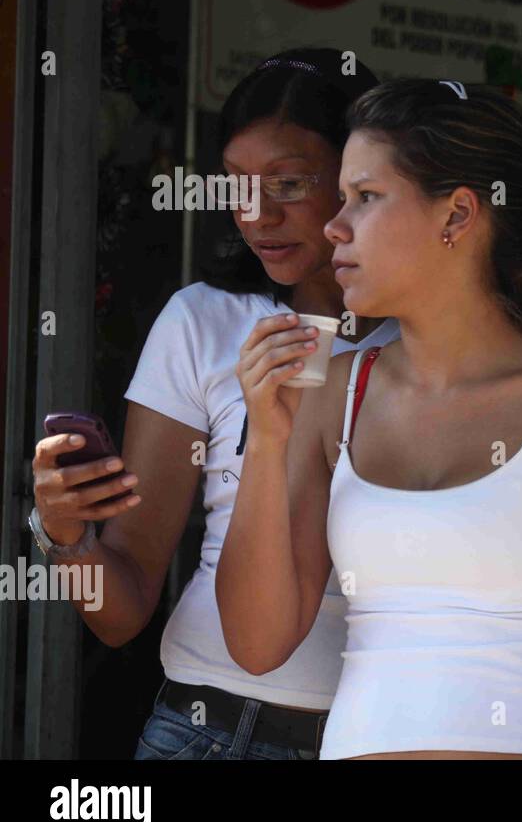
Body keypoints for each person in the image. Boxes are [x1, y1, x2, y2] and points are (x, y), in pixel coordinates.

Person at [216, 79, 522, 759]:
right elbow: (257, 644)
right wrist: (266, 442)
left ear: (457, 215)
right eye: (341, 200)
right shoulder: (332, 394)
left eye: (365, 199)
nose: (334, 227)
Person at [27, 48, 398, 760]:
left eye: (289, 183)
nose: (256, 216)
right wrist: (64, 534)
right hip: (206, 730)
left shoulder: (431, 337)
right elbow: (122, 610)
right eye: (236, 184)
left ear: (364, 179)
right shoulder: (204, 321)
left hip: (372, 738)